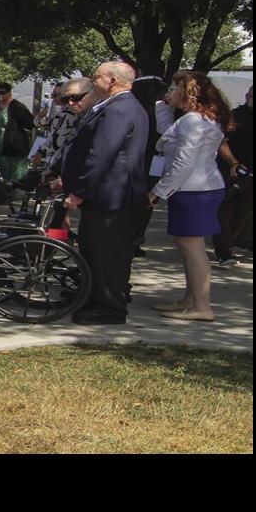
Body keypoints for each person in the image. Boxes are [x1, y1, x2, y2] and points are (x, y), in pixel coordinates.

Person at [60, 61, 151, 325]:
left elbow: (102, 154)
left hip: (112, 196)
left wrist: (80, 191)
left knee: (106, 253)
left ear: (111, 80)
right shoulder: (122, 106)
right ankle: (97, 298)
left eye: (96, 76)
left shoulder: (119, 110)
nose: (93, 80)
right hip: (112, 195)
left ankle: (109, 306)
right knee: (100, 251)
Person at [148, 72, 232, 322]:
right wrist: (163, 106)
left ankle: (202, 306)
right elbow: (166, 135)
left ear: (188, 93)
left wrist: (159, 190)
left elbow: (184, 162)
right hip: (194, 189)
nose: (169, 92)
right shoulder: (194, 119)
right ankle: (191, 299)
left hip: (194, 190)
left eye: (174, 88)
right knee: (187, 248)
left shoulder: (193, 121)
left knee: (193, 249)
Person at [129, 74, 171, 258]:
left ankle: (134, 238)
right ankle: (136, 238)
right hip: (151, 162)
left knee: (143, 202)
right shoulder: (149, 110)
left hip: (146, 162)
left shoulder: (141, 109)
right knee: (145, 203)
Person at [211, 85, 253, 267]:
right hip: (232, 170)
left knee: (243, 212)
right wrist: (233, 163)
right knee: (224, 210)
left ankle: (228, 243)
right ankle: (223, 251)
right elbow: (221, 142)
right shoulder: (235, 116)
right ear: (247, 96)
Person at [0, 81, 34, 184]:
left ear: (9, 93)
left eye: (2, 92)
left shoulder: (17, 106)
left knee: (15, 175)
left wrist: (40, 119)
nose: (0, 95)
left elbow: (29, 123)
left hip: (13, 145)